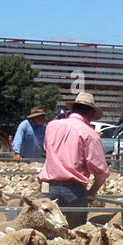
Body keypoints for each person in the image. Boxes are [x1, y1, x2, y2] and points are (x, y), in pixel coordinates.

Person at [38, 91, 109, 228]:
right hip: (74, 190)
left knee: (46, 230)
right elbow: (101, 172)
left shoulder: (52, 126)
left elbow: (47, 149)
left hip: (48, 186)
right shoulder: (90, 134)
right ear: (89, 113)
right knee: (74, 233)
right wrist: (91, 193)